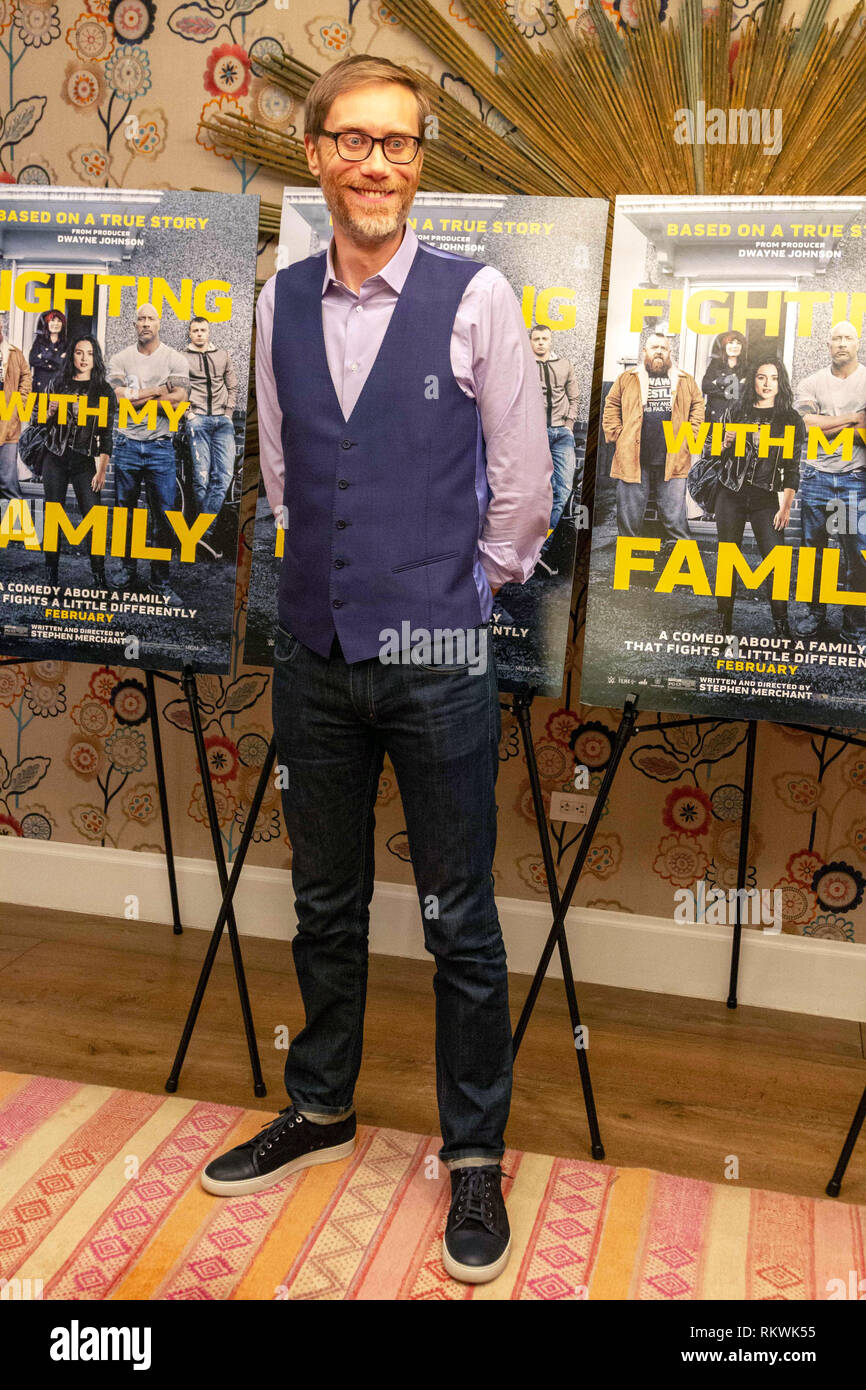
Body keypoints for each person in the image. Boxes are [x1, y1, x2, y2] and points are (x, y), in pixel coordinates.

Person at [200, 54, 553, 1286]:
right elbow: (287, 473)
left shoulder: (475, 300)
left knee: (461, 919)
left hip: (438, 651)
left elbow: (522, 494)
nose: (375, 165)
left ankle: (469, 1154)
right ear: (315, 156)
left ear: (419, 163)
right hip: (314, 650)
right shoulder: (274, 300)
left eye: (398, 145)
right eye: (353, 141)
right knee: (324, 903)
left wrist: (455, 592)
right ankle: (322, 1103)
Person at [711, 356, 803, 638]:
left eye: (774, 378)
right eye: (762, 377)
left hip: (765, 498)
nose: (767, 383)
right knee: (728, 559)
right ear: (753, 380)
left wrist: (785, 507)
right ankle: (724, 624)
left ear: (781, 382)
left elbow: (792, 469)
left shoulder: (790, 418)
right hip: (731, 494)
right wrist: (722, 442)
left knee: (776, 560)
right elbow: (712, 450)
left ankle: (781, 625)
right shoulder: (736, 410)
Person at [107, 303, 189, 599]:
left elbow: (179, 401)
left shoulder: (174, 359)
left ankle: (160, 582)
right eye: (140, 318)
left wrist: (139, 399)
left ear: (159, 323)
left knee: (164, 516)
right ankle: (125, 572)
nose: (145, 323)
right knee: (124, 513)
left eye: (150, 318)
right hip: (127, 444)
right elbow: (118, 399)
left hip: (160, 447)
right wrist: (157, 390)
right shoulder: (121, 358)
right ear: (134, 324)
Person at [793, 321, 866, 640]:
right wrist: (852, 419)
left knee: (856, 552)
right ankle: (815, 614)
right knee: (813, 551)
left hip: (853, 479)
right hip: (816, 477)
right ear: (827, 344)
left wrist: (826, 425)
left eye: (848, 338)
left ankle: (855, 620)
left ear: (857, 344)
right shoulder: (811, 382)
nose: (842, 343)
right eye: (836, 337)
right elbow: (806, 425)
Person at [603, 328, 704, 544]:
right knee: (629, 516)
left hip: (673, 455)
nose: (659, 352)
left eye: (663, 348)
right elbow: (611, 404)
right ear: (644, 351)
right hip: (634, 455)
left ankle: (684, 558)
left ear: (670, 353)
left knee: (675, 515)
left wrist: (690, 436)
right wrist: (617, 435)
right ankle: (628, 557)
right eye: (654, 347)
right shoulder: (626, 378)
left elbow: (698, 406)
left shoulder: (685, 380)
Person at [41, 334, 115, 588]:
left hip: (85, 460)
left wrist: (102, 469)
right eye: (79, 352)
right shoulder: (57, 383)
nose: (84, 358)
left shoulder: (103, 390)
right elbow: (38, 422)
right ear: (72, 355)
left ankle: (99, 577)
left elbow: (106, 435)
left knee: (93, 517)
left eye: (90, 353)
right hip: (56, 458)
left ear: (96, 358)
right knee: (54, 517)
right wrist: (48, 412)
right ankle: (51, 576)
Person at [184, 315, 238, 557]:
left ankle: (198, 536)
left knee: (224, 475)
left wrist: (228, 413)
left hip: (222, 422)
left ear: (209, 332)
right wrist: (188, 414)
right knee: (201, 478)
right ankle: (204, 538)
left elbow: (233, 386)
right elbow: (175, 387)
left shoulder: (223, 355)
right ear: (190, 333)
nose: (199, 334)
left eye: (203, 330)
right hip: (197, 422)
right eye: (195, 330)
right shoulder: (182, 357)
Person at [529, 323, 578, 576]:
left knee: (563, 490)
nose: (540, 343)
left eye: (544, 338)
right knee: (531, 492)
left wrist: (569, 425)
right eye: (536, 338)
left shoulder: (565, 364)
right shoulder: (523, 366)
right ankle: (524, 550)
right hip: (533, 436)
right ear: (530, 342)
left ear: (551, 340)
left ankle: (540, 551)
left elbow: (575, 397)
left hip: (561, 435)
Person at [0, 312, 33, 501]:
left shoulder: (14, 353)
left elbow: (26, 377)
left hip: (9, 423)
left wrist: (19, 405)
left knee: (7, 481)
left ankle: (18, 526)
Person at [701, 329, 747, 424]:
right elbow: (706, 386)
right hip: (714, 418)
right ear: (724, 345)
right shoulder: (715, 365)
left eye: (738, 343)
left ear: (742, 347)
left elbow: (743, 393)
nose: (734, 346)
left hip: (735, 419)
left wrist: (718, 382)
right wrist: (734, 387)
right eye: (730, 343)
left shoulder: (746, 368)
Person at [29, 309, 67, 394]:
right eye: (52, 320)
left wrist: (43, 356)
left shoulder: (66, 344)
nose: (55, 324)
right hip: (39, 387)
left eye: (59, 321)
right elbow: (33, 360)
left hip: (57, 387)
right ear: (47, 323)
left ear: (63, 324)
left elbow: (64, 364)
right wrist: (57, 359)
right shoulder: (39, 341)